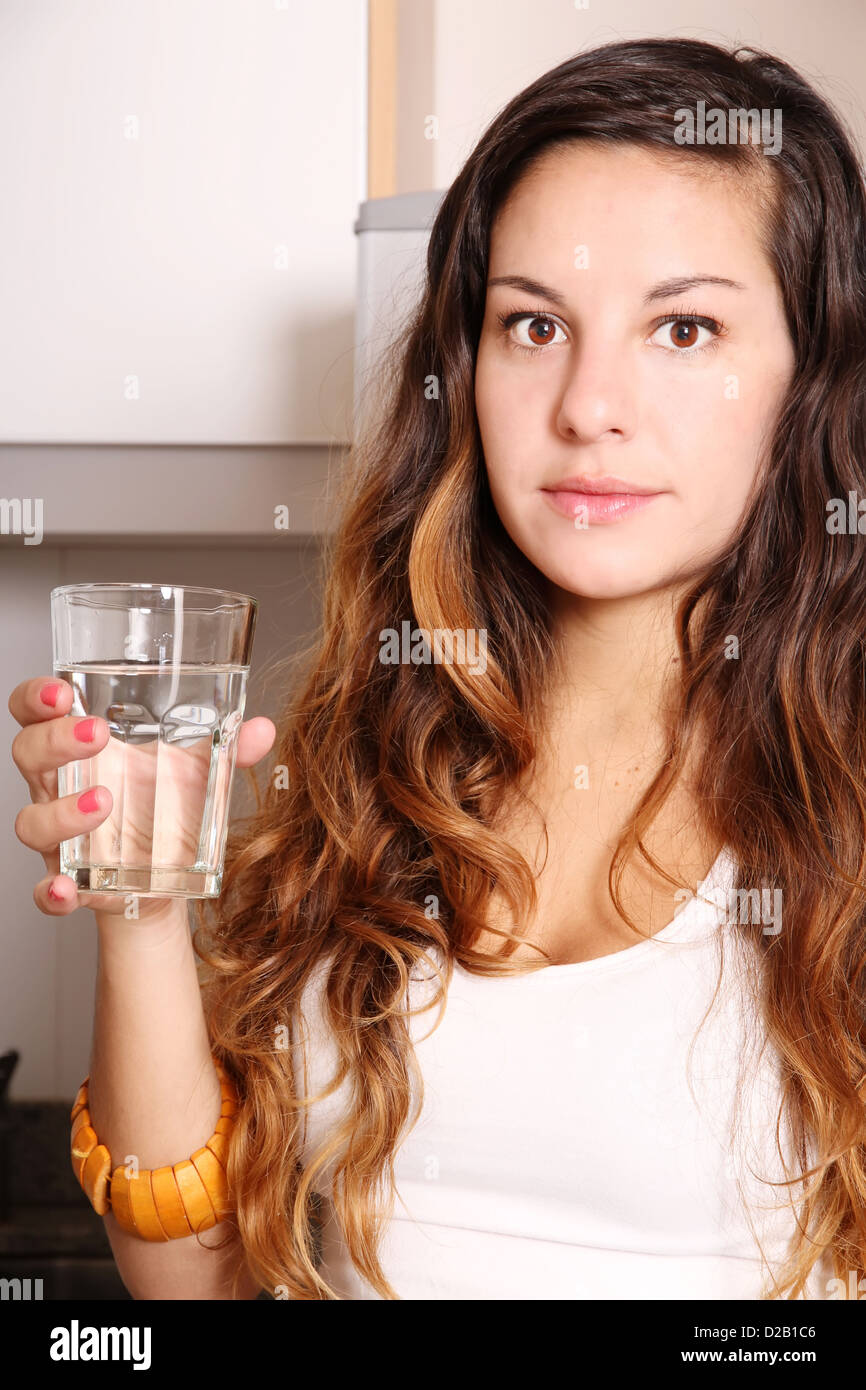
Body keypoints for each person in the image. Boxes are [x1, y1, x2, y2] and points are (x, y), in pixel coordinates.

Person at [9, 35, 866, 1301]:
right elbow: (187, 1286)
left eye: (682, 328)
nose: (588, 405)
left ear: (809, 378)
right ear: (464, 372)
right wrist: (136, 900)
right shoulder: (378, 754)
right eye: (533, 324)